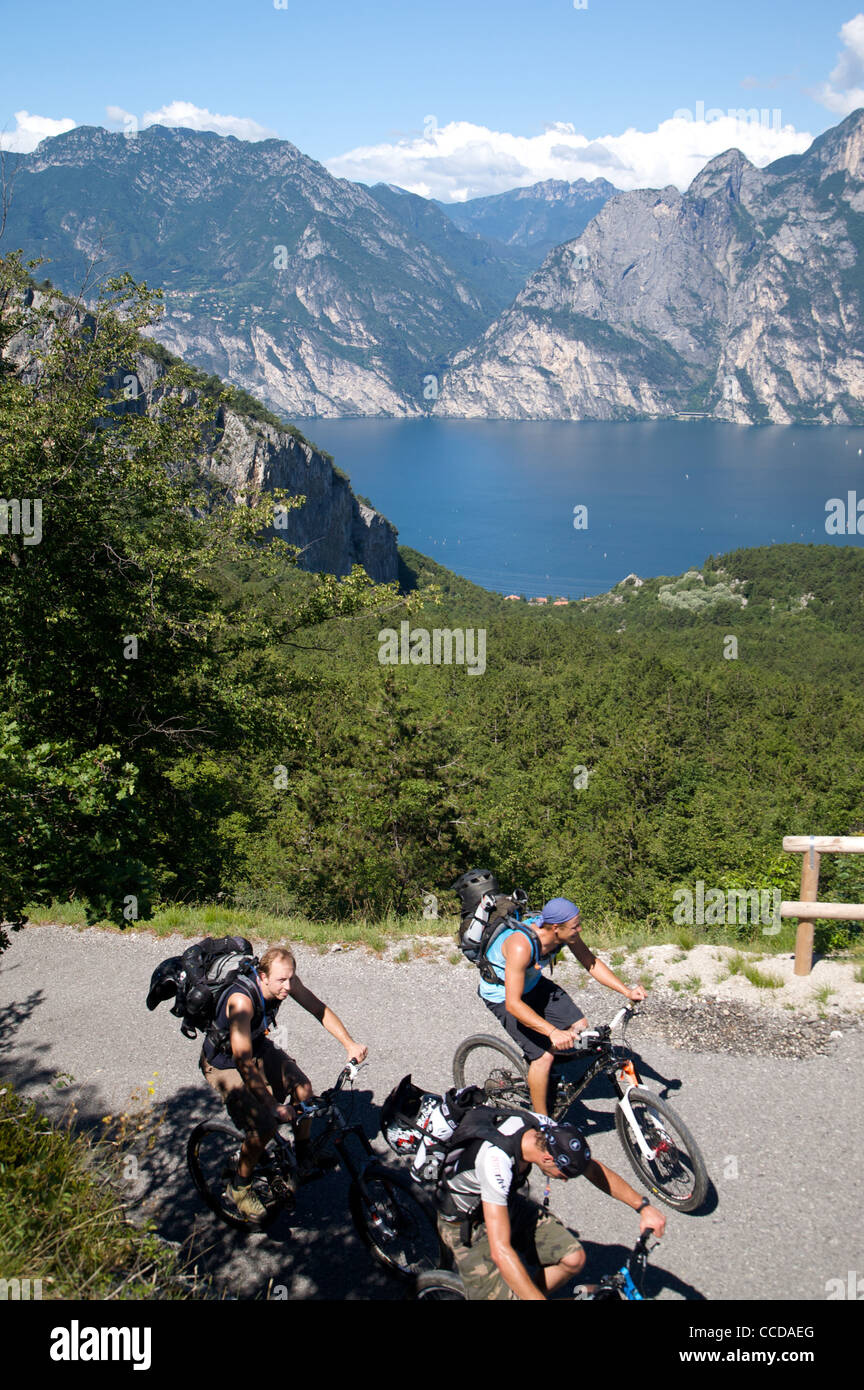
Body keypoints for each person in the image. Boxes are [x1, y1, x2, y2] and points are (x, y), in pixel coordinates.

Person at [199, 944, 367, 1220]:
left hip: (256, 1044)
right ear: (262, 976)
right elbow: (243, 1061)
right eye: (281, 980)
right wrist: (271, 1105)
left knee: (304, 1089)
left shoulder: (285, 981)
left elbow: (318, 1008)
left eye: (290, 978)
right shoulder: (241, 1002)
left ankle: (303, 1155)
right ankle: (239, 1186)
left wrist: (349, 1044)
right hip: (224, 1062)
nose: (288, 987)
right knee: (264, 1123)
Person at [436, 1108, 666, 1300]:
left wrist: (643, 1207)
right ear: (547, 1159)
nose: (564, 1179)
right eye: (563, 1174)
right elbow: (500, 1250)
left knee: (573, 1259)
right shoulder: (496, 1163)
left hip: (501, 1203)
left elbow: (591, 1168)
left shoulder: (545, 1130)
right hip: (467, 1224)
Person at [479, 896, 646, 1115]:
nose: (580, 928)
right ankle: (542, 1122)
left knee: (579, 1025)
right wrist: (552, 1032)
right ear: (556, 928)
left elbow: (591, 962)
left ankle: (542, 1071)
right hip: (502, 995)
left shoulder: (564, 933)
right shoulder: (521, 946)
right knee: (544, 1056)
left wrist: (627, 991)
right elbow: (513, 1004)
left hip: (532, 984)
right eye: (575, 925)